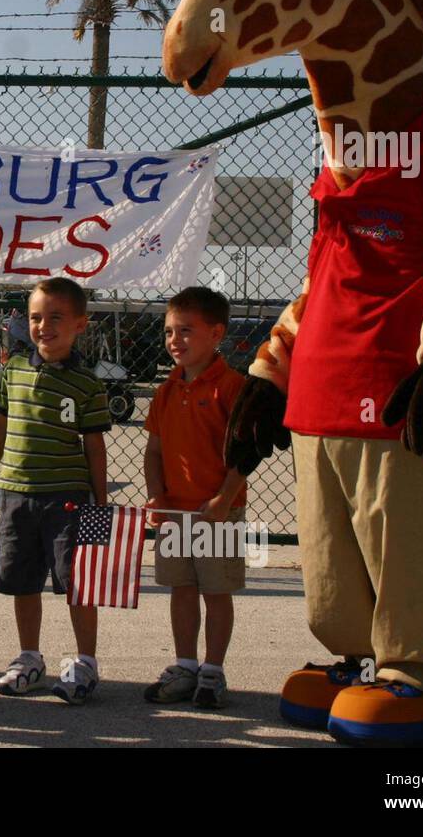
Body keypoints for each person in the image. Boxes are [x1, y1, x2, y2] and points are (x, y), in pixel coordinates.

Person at [0, 276, 111, 705]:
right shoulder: (12, 372)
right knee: (21, 580)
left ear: (80, 325)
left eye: (55, 317)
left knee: (76, 583)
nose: (43, 326)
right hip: (15, 494)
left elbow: (94, 443)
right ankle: (29, 657)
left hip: (66, 497)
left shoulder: (88, 384)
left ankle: (85, 660)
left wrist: (100, 499)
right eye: (35, 317)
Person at [141, 288, 249, 709]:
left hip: (218, 513)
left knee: (216, 591)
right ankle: (185, 666)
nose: (174, 340)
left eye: (186, 330)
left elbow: (245, 453)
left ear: (216, 333)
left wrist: (224, 499)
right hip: (173, 512)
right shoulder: (165, 390)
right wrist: (155, 497)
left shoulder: (232, 386)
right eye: (169, 331)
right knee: (181, 589)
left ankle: (213, 671)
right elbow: (154, 451)